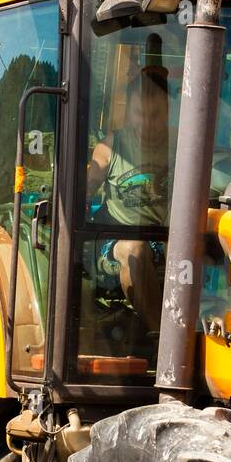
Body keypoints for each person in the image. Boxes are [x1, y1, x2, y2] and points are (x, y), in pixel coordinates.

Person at [86, 64, 170, 333]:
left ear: (168, 111)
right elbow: (88, 184)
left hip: (163, 237)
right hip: (114, 237)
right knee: (135, 249)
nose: (146, 123)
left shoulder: (181, 143)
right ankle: (162, 340)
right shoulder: (111, 146)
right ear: (128, 112)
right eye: (139, 114)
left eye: (155, 115)